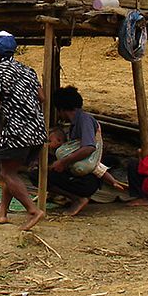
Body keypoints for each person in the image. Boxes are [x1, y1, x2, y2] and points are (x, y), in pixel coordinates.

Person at [0, 30, 47, 230]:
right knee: (10, 171)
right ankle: (1, 213)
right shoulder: (28, 70)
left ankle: (33, 210)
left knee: (7, 173)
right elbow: (42, 97)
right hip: (36, 129)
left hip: (16, 130)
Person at [41, 86, 105, 217]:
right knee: (39, 172)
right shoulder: (75, 123)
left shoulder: (84, 120)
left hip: (87, 179)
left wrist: (63, 162)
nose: (59, 115)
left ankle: (78, 198)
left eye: (58, 111)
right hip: (79, 172)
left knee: (41, 175)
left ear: (62, 109)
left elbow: (89, 147)